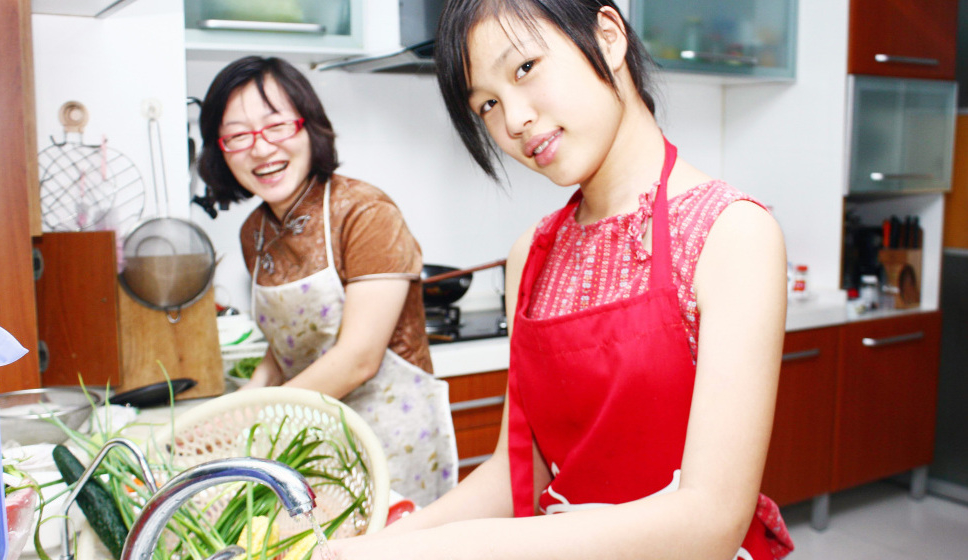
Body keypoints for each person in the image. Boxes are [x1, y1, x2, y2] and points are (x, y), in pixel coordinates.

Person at [327, 1, 794, 559]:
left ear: (608, 37)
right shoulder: (533, 253)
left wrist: (447, 549)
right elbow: (516, 471)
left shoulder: (731, 233)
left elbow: (710, 521)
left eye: (525, 68)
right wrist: (378, 544)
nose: (514, 121)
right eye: (488, 104)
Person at [197, 56, 457, 507]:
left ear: (308, 127)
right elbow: (285, 352)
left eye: (276, 126)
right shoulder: (254, 232)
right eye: (238, 135)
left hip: (390, 442)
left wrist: (253, 420)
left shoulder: (365, 213)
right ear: (221, 150)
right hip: (308, 440)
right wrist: (225, 417)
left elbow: (358, 358)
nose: (260, 149)